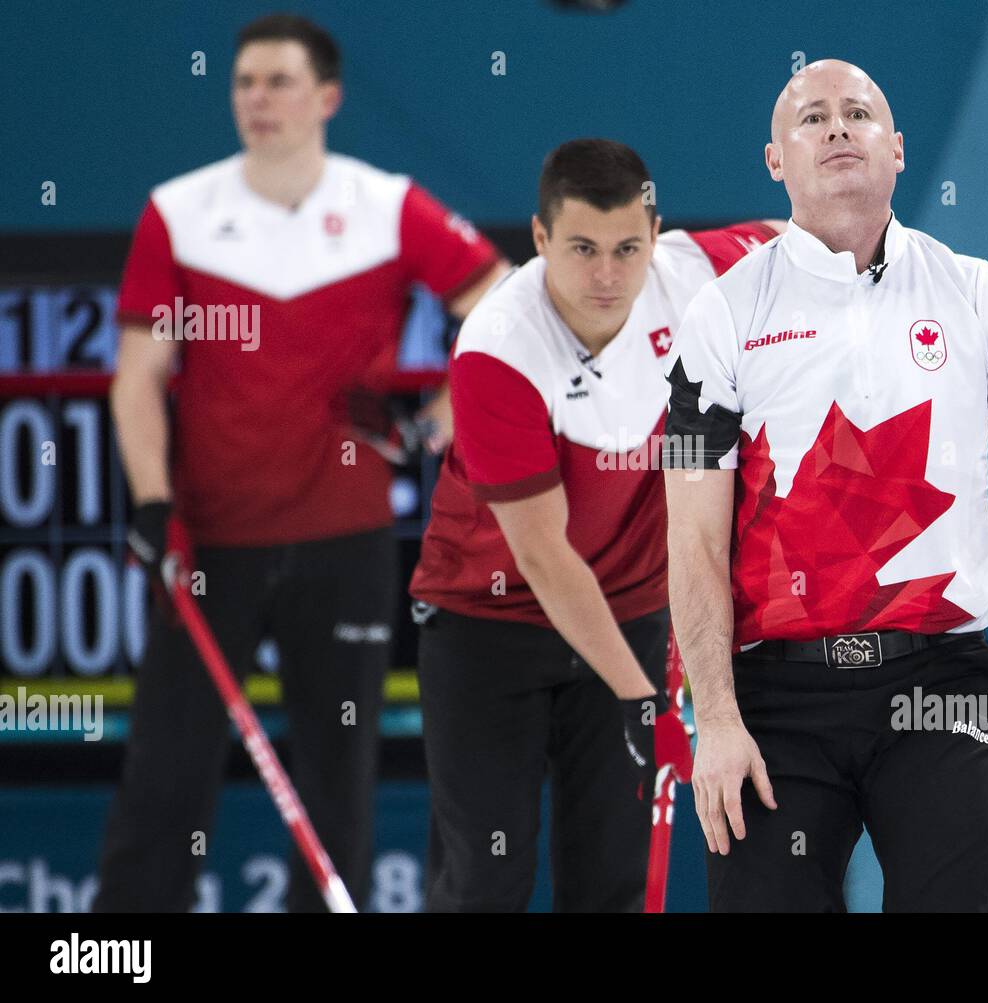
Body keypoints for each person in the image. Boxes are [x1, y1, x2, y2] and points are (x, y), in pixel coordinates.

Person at [663, 59, 988, 912]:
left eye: (857, 113)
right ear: (775, 160)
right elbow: (694, 539)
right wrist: (715, 719)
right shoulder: (720, 315)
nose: (836, 128)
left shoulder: (977, 295)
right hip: (778, 698)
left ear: (897, 150)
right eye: (811, 117)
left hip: (936, 682)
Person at [94, 13, 509, 913]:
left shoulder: (384, 203)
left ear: (327, 97)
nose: (257, 99)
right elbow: (137, 379)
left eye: (278, 82)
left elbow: (502, 298)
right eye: (244, 82)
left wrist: (445, 407)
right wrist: (153, 501)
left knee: (336, 780)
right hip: (206, 539)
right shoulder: (179, 211)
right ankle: (111, 957)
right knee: (166, 772)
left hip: (345, 540)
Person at [407, 138, 784, 911]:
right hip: (487, 625)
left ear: (656, 235)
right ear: (541, 239)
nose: (608, 275)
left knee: (609, 881)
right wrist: (644, 701)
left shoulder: (695, 276)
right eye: (582, 248)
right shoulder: (497, 348)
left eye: (626, 248)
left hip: (634, 614)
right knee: (485, 879)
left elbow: (804, 239)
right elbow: (545, 560)